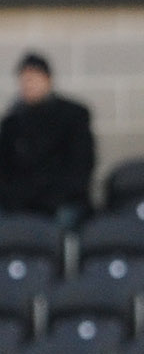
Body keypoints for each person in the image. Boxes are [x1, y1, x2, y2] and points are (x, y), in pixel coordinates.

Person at [0, 53, 94, 226]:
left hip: (61, 201)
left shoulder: (73, 115)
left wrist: (49, 199)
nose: (29, 85)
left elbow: (79, 166)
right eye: (25, 80)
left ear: (48, 80)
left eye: (34, 79)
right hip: (21, 203)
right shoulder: (12, 122)